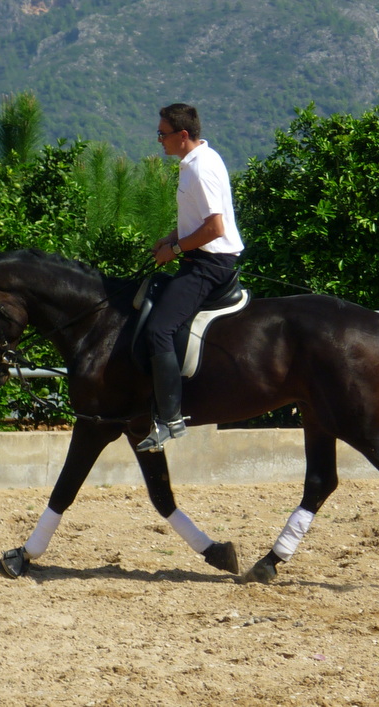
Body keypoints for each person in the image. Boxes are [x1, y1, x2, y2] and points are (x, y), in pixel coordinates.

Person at [136, 103, 244, 453]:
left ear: (183, 135)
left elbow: (215, 228)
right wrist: (172, 236)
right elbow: (199, 218)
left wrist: (177, 249)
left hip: (208, 264)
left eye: (163, 135)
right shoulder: (196, 162)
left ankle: (170, 419)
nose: (159, 141)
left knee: (159, 329)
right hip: (198, 255)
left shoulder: (200, 169)